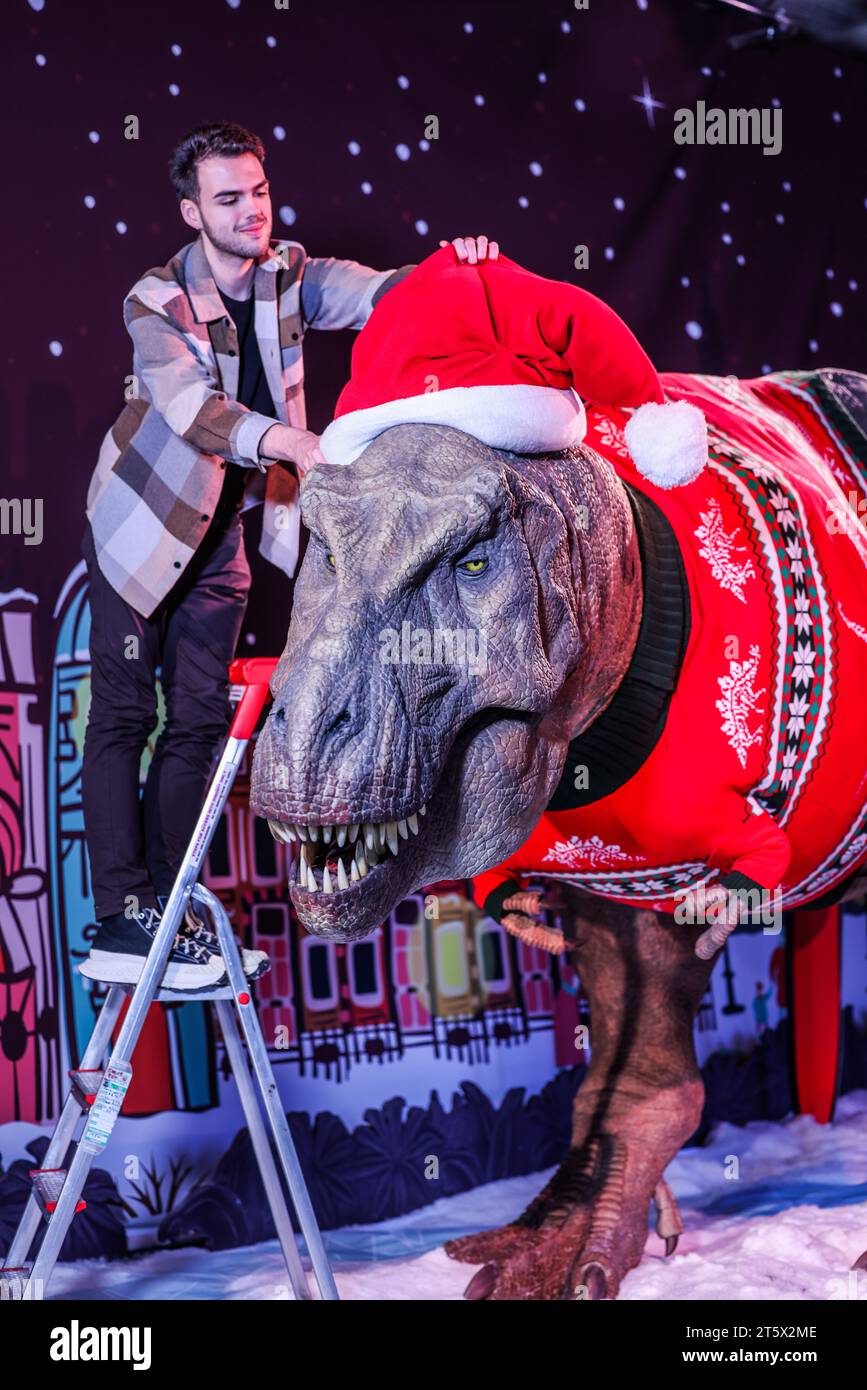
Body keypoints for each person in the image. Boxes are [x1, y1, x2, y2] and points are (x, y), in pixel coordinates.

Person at [79, 119, 500, 992]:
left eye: (257, 193)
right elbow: (194, 408)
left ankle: (169, 904)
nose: (249, 212)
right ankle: (121, 913)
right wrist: (295, 447)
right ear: (192, 211)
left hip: (224, 536)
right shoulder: (155, 301)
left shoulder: (291, 276)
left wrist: (454, 266)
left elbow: (384, 292)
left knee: (197, 723)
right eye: (227, 199)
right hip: (143, 530)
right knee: (124, 714)